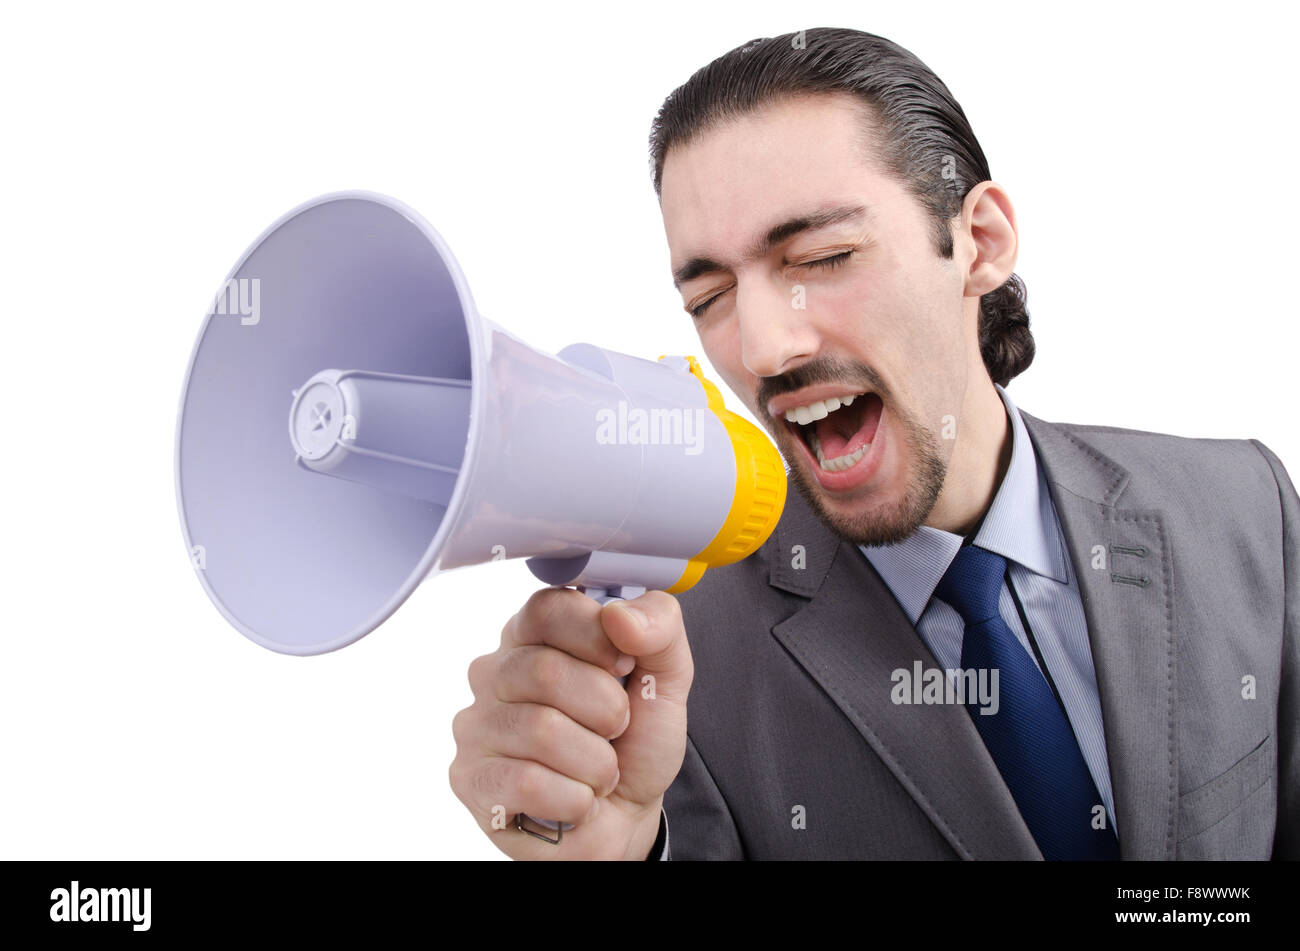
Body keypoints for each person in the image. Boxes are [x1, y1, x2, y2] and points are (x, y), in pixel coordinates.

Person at [448, 27, 1298, 860]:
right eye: (710, 296)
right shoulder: (666, 675)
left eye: (822, 255)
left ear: (981, 242)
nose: (763, 347)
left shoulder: (1243, 505)